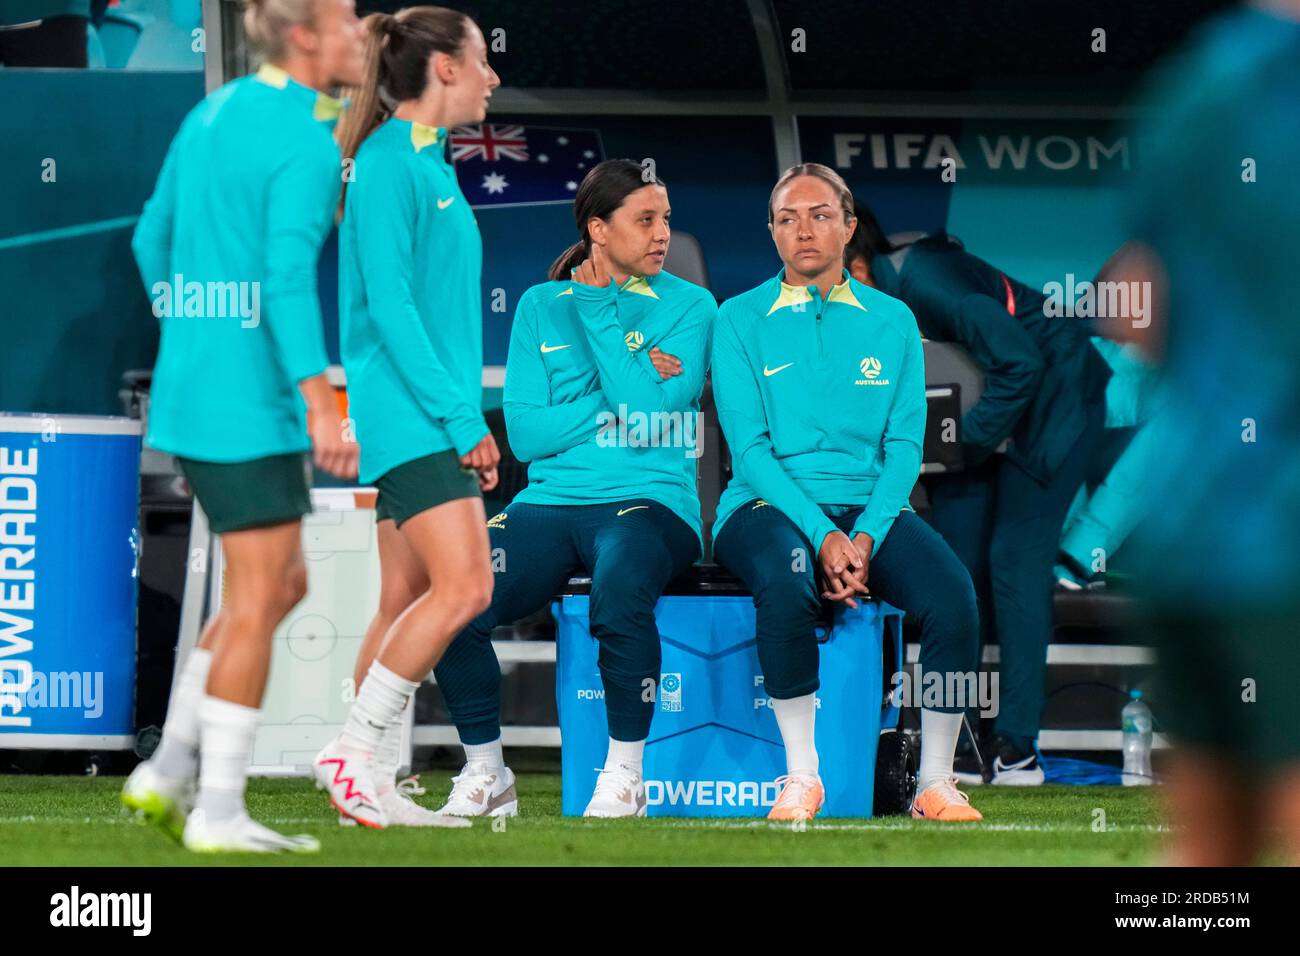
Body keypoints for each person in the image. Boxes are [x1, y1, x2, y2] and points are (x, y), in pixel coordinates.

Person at [121, 0, 366, 853]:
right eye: (346, 20)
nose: (360, 32)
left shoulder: (210, 111)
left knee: (280, 585)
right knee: (262, 592)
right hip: (246, 403)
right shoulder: (304, 137)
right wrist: (320, 400)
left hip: (202, 393)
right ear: (304, 37)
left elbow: (151, 240)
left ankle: (169, 768)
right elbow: (288, 277)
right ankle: (216, 809)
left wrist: (192, 327)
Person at [431, 159, 715, 819]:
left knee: (618, 591)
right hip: (548, 503)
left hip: (651, 502)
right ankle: (486, 772)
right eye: (645, 219)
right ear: (598, 227)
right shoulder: (539, 305)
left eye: (665, 218)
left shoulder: (692, 306)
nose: (662, 233)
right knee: (453, 600)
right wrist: (621, 389)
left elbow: (652, 422)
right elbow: (525, 438)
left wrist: (604, 331)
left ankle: (624, 778)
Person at [712, 163, 983, 822]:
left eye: (819, 214)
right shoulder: (738, 318)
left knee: (955, 598)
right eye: (786, 218)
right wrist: (825, 535)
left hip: (869, 513)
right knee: (787, 574)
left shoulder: (892, 321)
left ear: (849, 225)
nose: (802, 229)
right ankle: (803, 777)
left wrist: (861, 536)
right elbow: (749, 452)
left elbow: (903, 450)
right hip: (764, 506)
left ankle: (935, 783)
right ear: (772, 233)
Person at [1104, 0, 1300, 865]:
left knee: (1204, 857)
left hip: (1190, 528)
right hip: (1282, 537)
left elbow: (1135, 308)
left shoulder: (1191, 87)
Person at [313, 5, 500, 829]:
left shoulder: (424, 160)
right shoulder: (391, 160)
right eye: (483, 60)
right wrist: (464, 419)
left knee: (404, 598)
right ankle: (352, 754)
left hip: (422, 412)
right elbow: (391, 308)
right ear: (447, 69)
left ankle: (372, 781)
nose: (494, 76)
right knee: (466, 587)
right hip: (417, 418)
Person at [845, 206, 1111, 785]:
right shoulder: (873, 311)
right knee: (956, 571)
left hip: (1052, 402)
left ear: (859, 266)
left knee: (1013, 564)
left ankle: (1015, 749)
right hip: (982, 422)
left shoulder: (923, 280)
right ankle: (959, 738)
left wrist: (960, 446)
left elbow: (1022, 361)